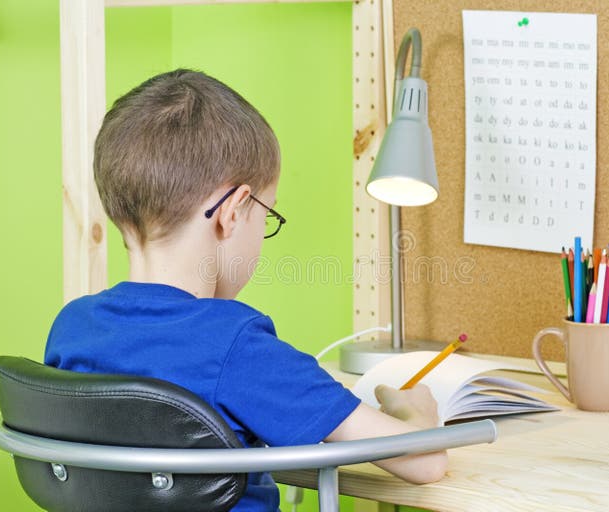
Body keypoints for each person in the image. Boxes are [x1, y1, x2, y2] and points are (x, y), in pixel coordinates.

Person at [44, 69, 446, 511]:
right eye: (266, 214)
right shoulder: (235, 345)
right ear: (233, 212)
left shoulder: (72, 329)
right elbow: (425, 461)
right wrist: (416, 413)